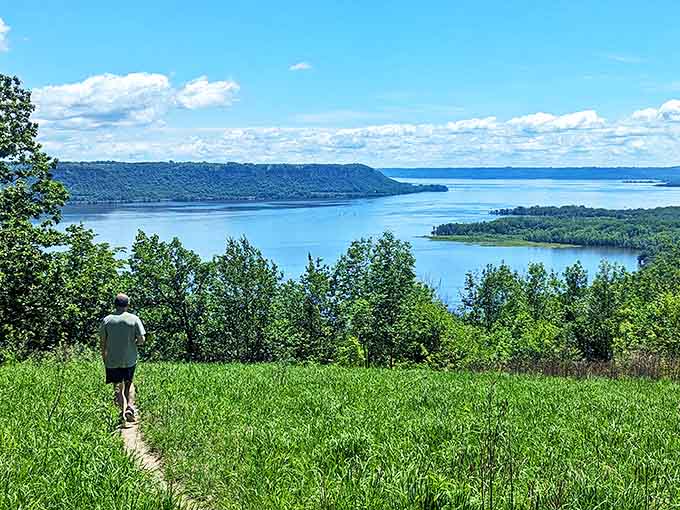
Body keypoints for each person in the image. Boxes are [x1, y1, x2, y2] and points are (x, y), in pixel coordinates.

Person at [100, 293, 145, 423]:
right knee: (129, 383)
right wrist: (134, 342)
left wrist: (104, 357)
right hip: (129, 358)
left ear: (115, 305)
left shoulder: (107, 320)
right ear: (128, 305)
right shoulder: (134, 319)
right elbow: (142, 340)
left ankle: (122, 412)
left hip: (112, 360)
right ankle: (130, 406)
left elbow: (102, 342)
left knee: (117, 386)